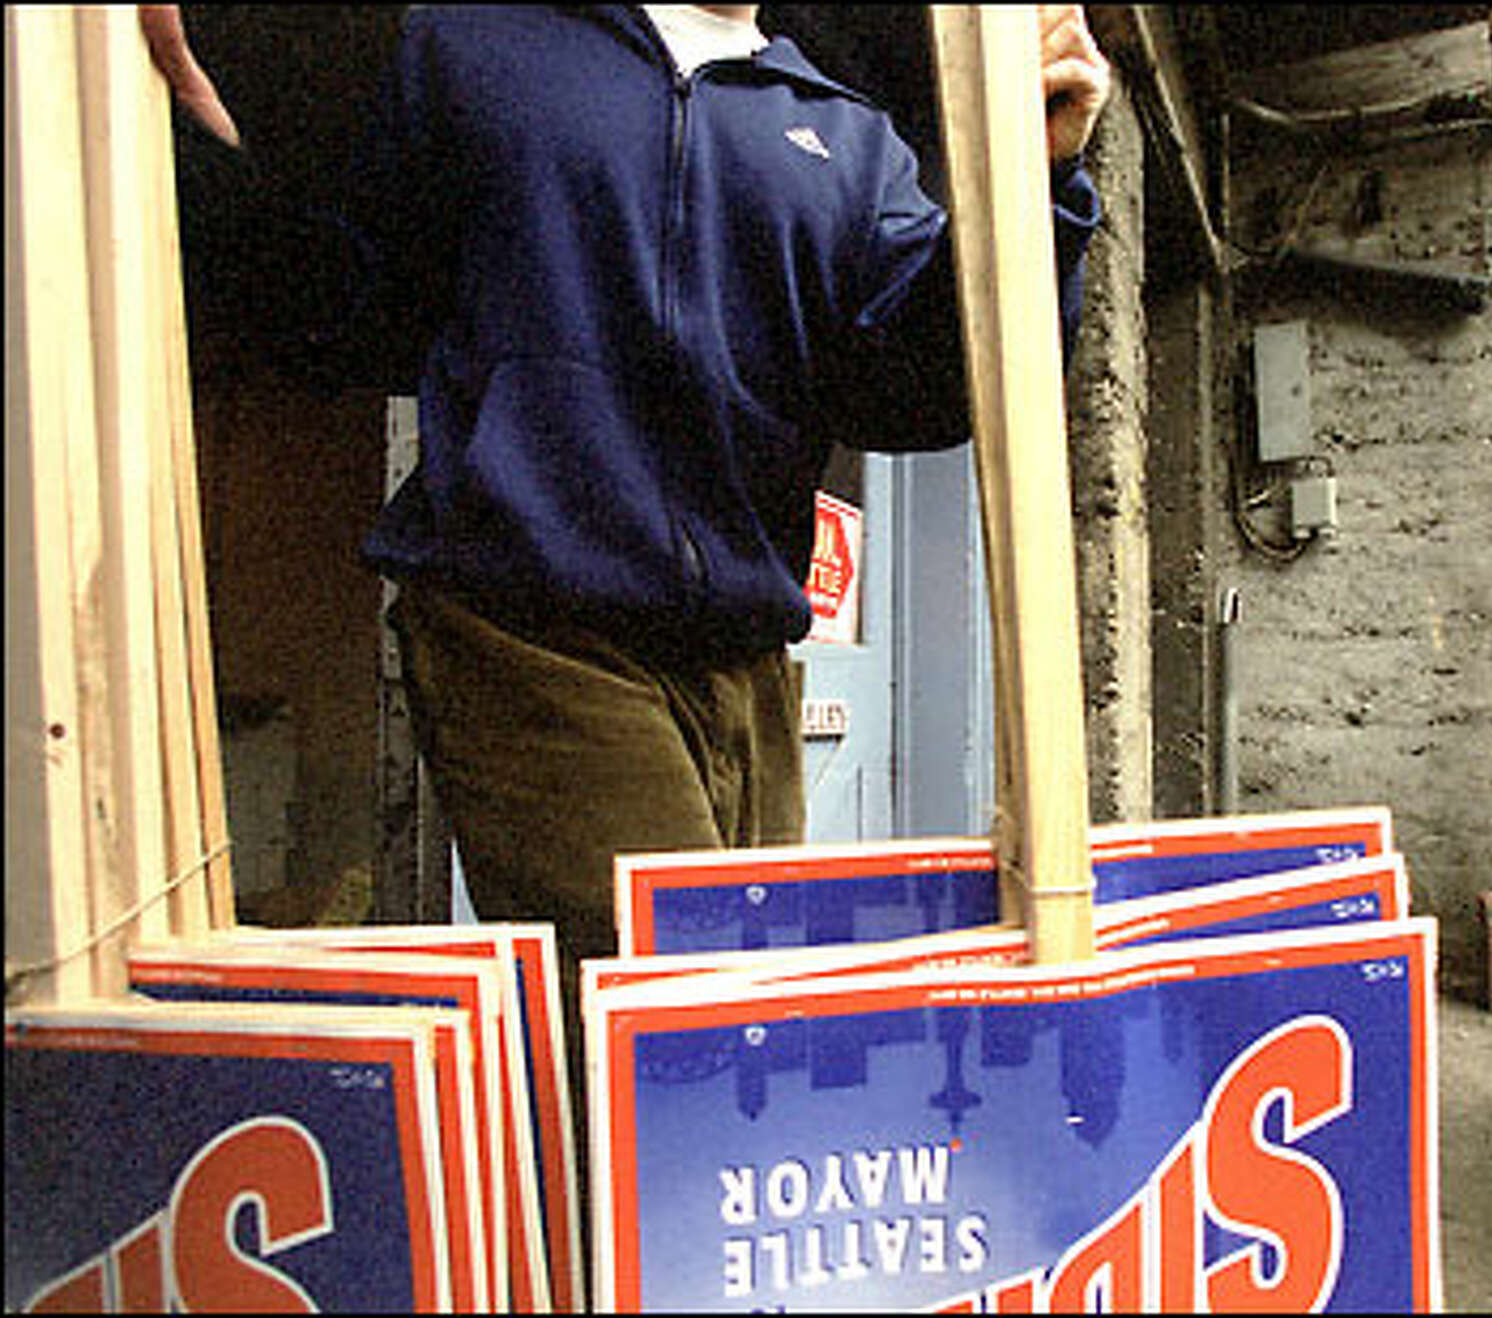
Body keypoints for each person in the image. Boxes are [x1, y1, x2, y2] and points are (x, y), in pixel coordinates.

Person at [144, 0, 1109, 1130]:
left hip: (749, 665)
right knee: (682, 1060)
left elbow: (928, 388)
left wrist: (1044, 183)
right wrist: (183, 168)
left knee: (727, 1052)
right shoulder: (476, 46)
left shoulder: (842, 133)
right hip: (530, 621)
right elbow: (359, 304)